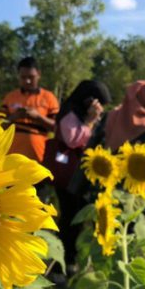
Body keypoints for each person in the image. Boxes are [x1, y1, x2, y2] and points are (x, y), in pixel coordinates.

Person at [44, 80, 112, 267]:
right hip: (67, 177)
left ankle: (69, 260)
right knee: (69, 219)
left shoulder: (81, 115)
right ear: (88, 100)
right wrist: (90, 121)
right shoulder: (69, 114)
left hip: (78, 177)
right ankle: (60, 264)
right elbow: (72, 140)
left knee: (76, 219)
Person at [0, 57, 59, 164]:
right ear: (18, 76)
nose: (27, 81)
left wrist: (37, 117)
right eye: (23, 77)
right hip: (9, 157)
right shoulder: (10, 97)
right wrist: (14, 117)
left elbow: (57, 127)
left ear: (39, 74)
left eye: (31, 77)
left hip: (38, 157)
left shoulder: (49, 97)